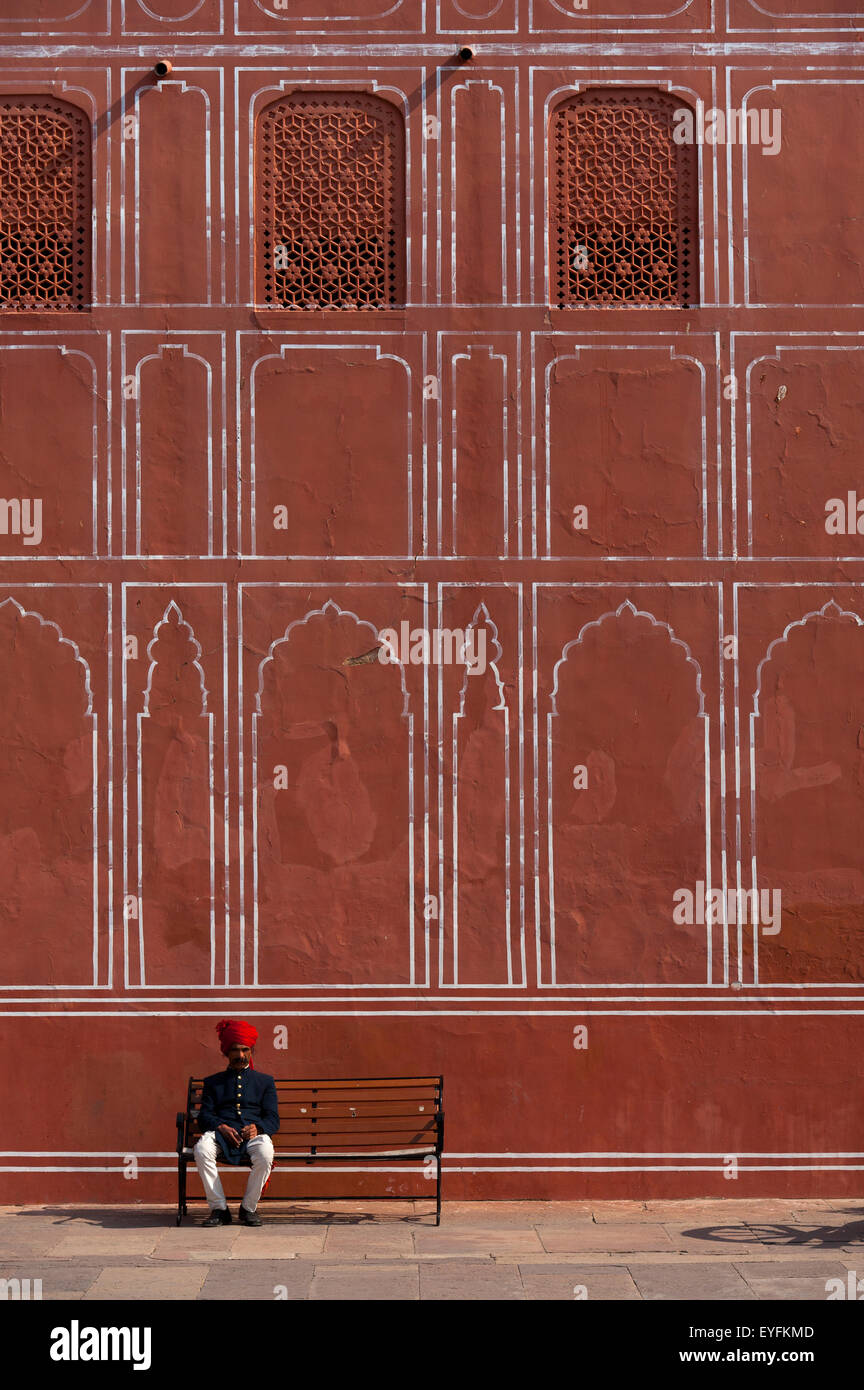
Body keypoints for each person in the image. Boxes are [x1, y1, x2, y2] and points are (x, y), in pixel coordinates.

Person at [194, 1019, 279, 1227]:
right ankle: (219, 1209)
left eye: (245, 1050)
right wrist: (220, 1127)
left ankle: (248, 1208)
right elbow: (204, 1116)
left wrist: (257, 1128)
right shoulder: (213, 1082)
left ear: (251, 1051)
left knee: (266, 1153)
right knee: (201, 1149)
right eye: (235, 1050)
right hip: (220, 1134)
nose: (240, 1055)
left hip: (253, 1135)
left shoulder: (265, 1082)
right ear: (226, 1052)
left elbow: (272, 1119)